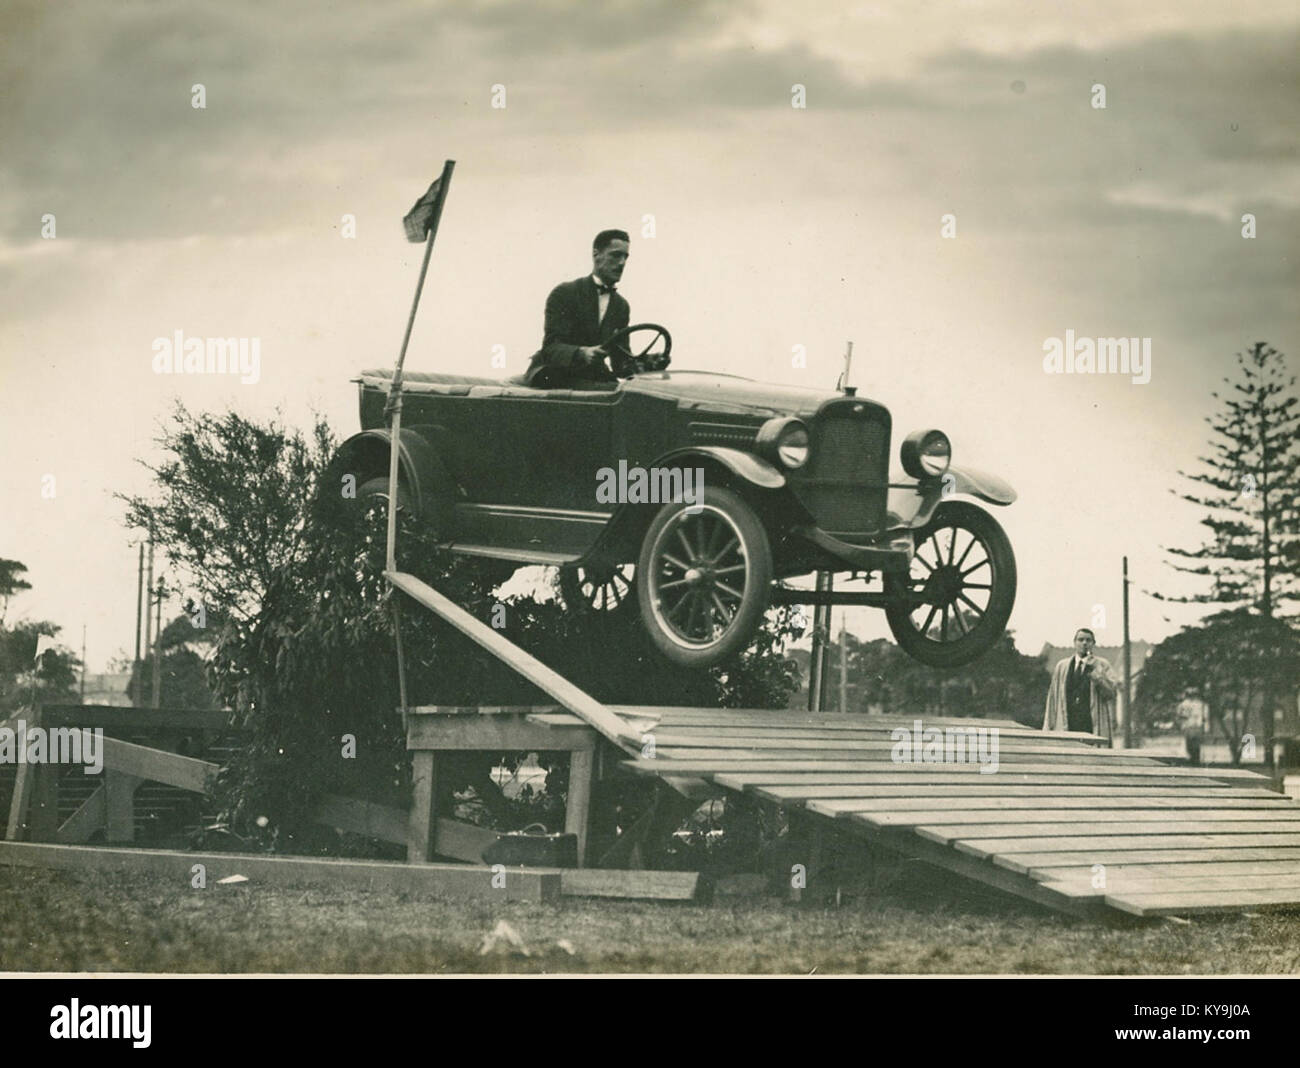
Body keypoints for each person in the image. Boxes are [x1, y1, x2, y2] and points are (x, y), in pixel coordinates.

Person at [523, 229, 631, 388]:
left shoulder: (621, 306)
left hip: (592, 377)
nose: (622, 263)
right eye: (616, 255)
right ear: (596, 254)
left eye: (625, 257)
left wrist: (648, 363)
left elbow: (621, 363)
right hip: (555, 374)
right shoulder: (565, 293)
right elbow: (551, 347)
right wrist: (582, 353)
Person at [1043, 627, 1119, 743]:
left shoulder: (1103, 665)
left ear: (1093, 644)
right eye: (1081, 639)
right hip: (1067, 725)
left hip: (1091, 726)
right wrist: (1048, 727)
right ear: (1074, 643)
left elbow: (1111, 694)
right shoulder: (1062, 666)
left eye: (1088, 640)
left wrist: (1096, 674)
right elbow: (1052, 698)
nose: (1084, 643)